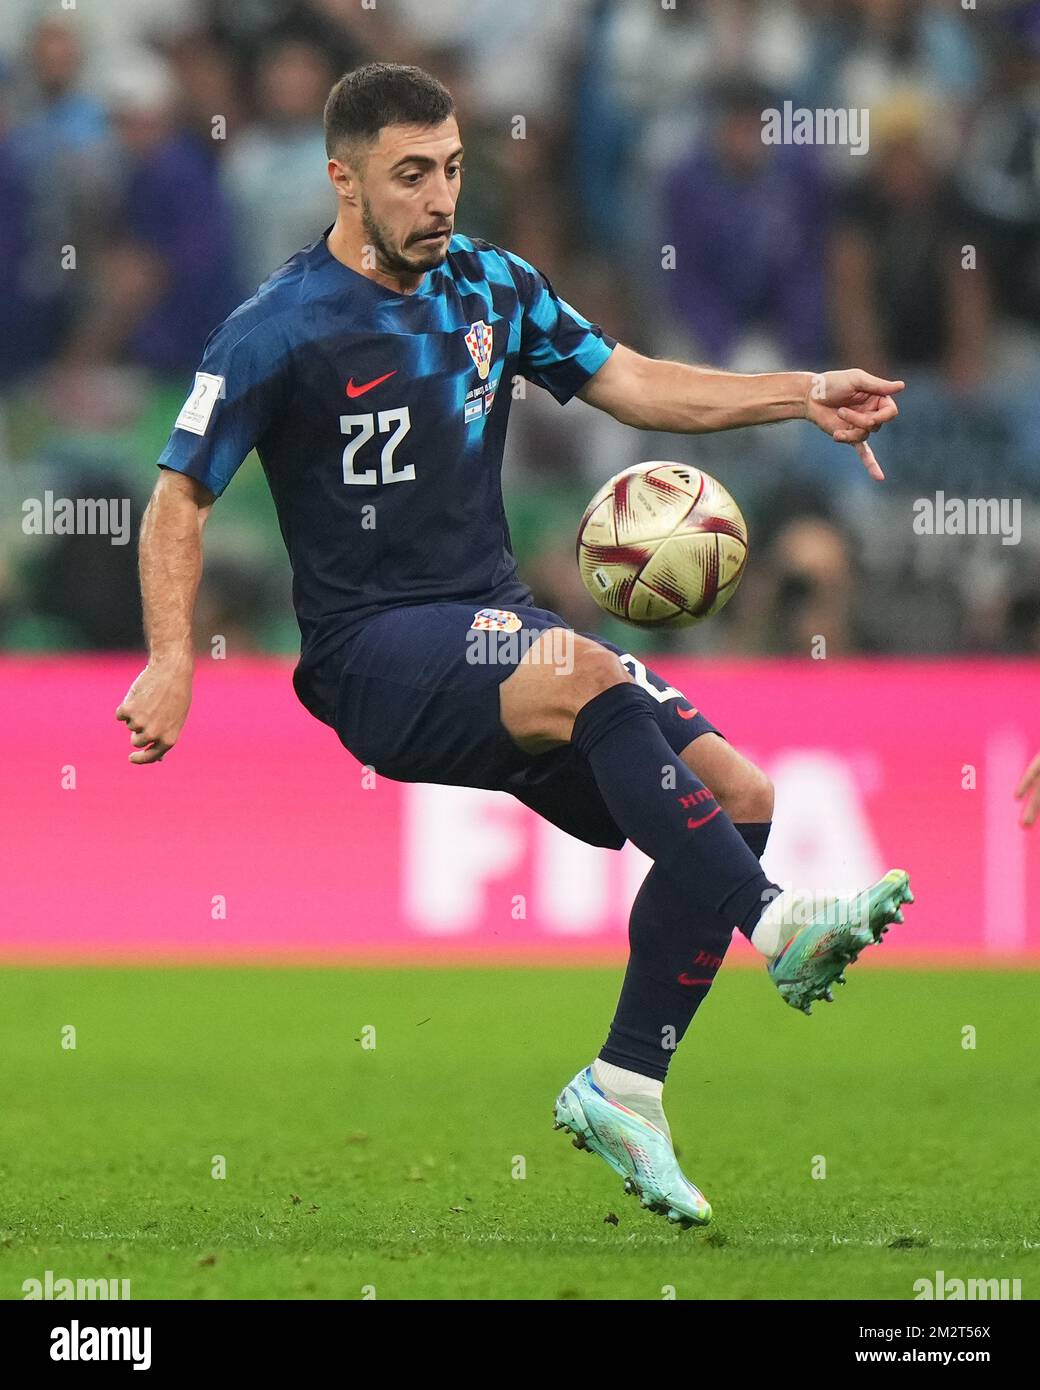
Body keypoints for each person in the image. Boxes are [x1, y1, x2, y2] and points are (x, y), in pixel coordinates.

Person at [116, 62, 912, 1229]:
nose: (439, 196)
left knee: (735, 790)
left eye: (449, 168)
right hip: (370, 650)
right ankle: (774, 923)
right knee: (581, 672)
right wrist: (172, 655)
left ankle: (625, 1083)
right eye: (408, 176)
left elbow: (631, 380)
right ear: (342, 181)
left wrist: (799, 394)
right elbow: (178, 497)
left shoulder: (492, 284)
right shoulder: (276, 328)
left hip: (495, 628)